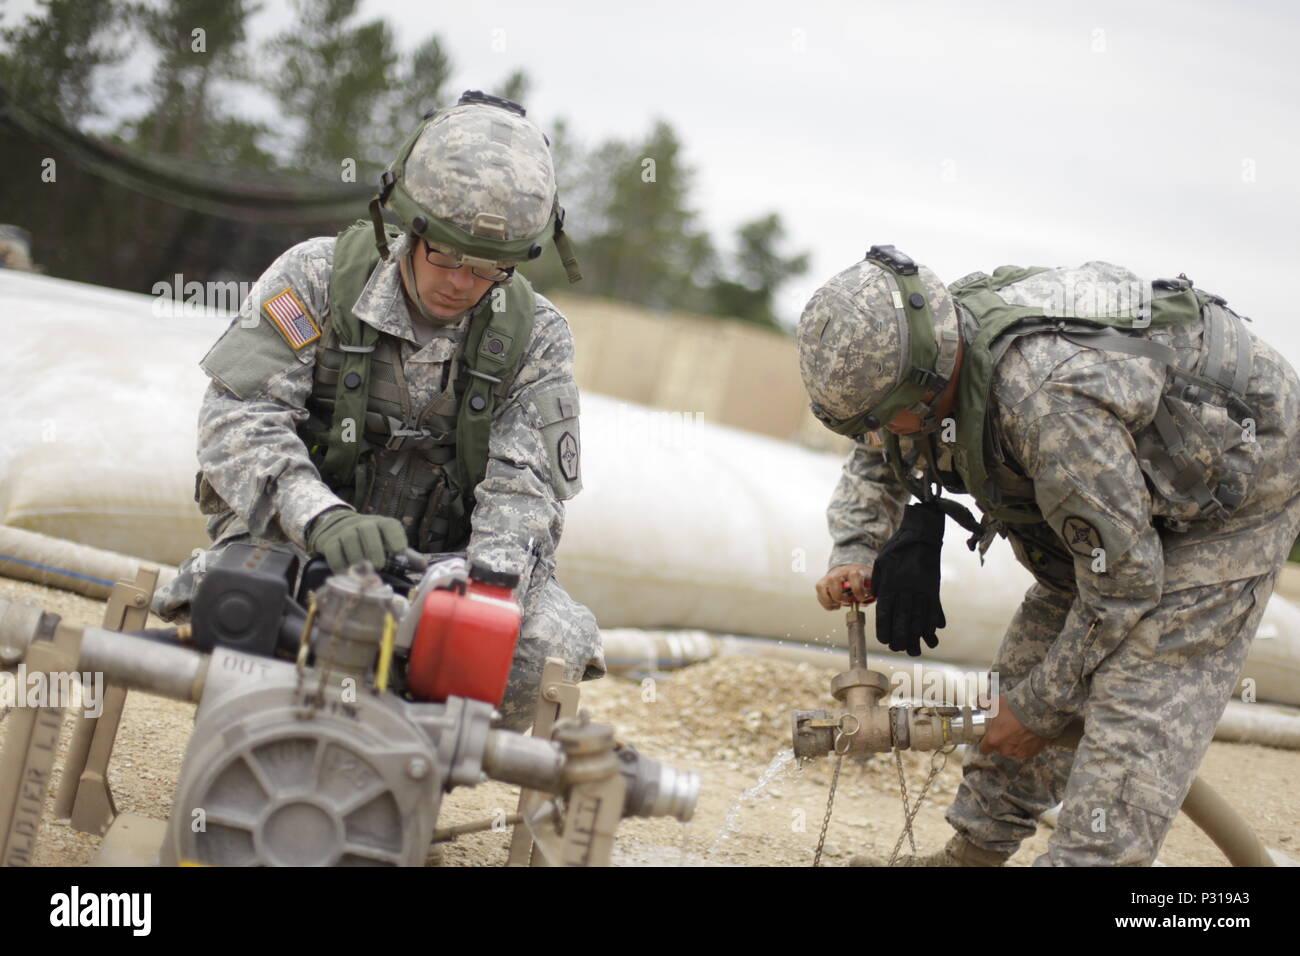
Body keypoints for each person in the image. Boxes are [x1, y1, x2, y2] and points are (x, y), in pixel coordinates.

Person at [799, 246, 1300, 865]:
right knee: (1023, 680)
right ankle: (971, 858)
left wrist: (1038, 710)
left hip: (1238, 486)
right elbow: (878, 442)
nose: (878, 437)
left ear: (929, 384)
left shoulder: (1047, 401)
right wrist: (857, 548)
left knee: (1133, 705)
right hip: (1117, 478)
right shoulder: (914, 354)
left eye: (887, 420)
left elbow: (1122, 584)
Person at [152, 91, 603, 730]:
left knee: (537, 655)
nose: (459, 282)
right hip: (299, 541)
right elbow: (238, 420)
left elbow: (525, 487)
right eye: (444, 254)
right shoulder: (314, 278)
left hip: (450, 567)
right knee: (235, 606)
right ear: (406, 227)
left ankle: (407, 766)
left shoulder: (536, 336)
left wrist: (482, 587)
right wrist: (322, 518)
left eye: (488, 269)